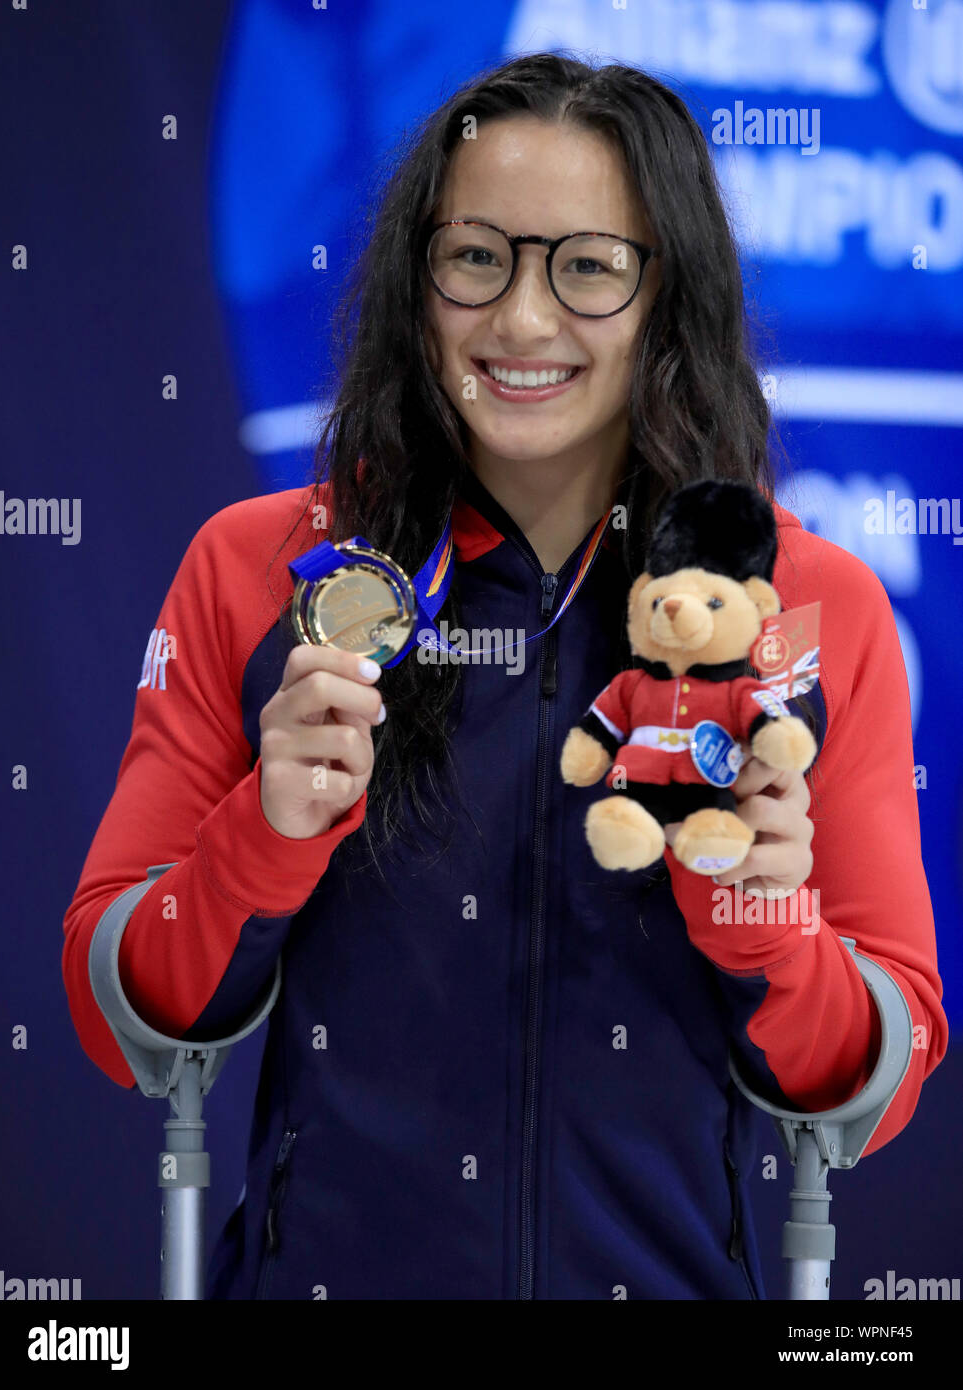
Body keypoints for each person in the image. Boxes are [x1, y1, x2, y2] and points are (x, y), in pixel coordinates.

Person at [62, 53, 947, 1300]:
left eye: (586, 266)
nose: (521, 321)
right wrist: (258, 835)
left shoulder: (803, 607)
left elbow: (877, 1073)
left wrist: (762, 919)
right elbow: (120, 1004)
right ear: (415, 283)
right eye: (476, 257)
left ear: (668, 296)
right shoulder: (258, 568)